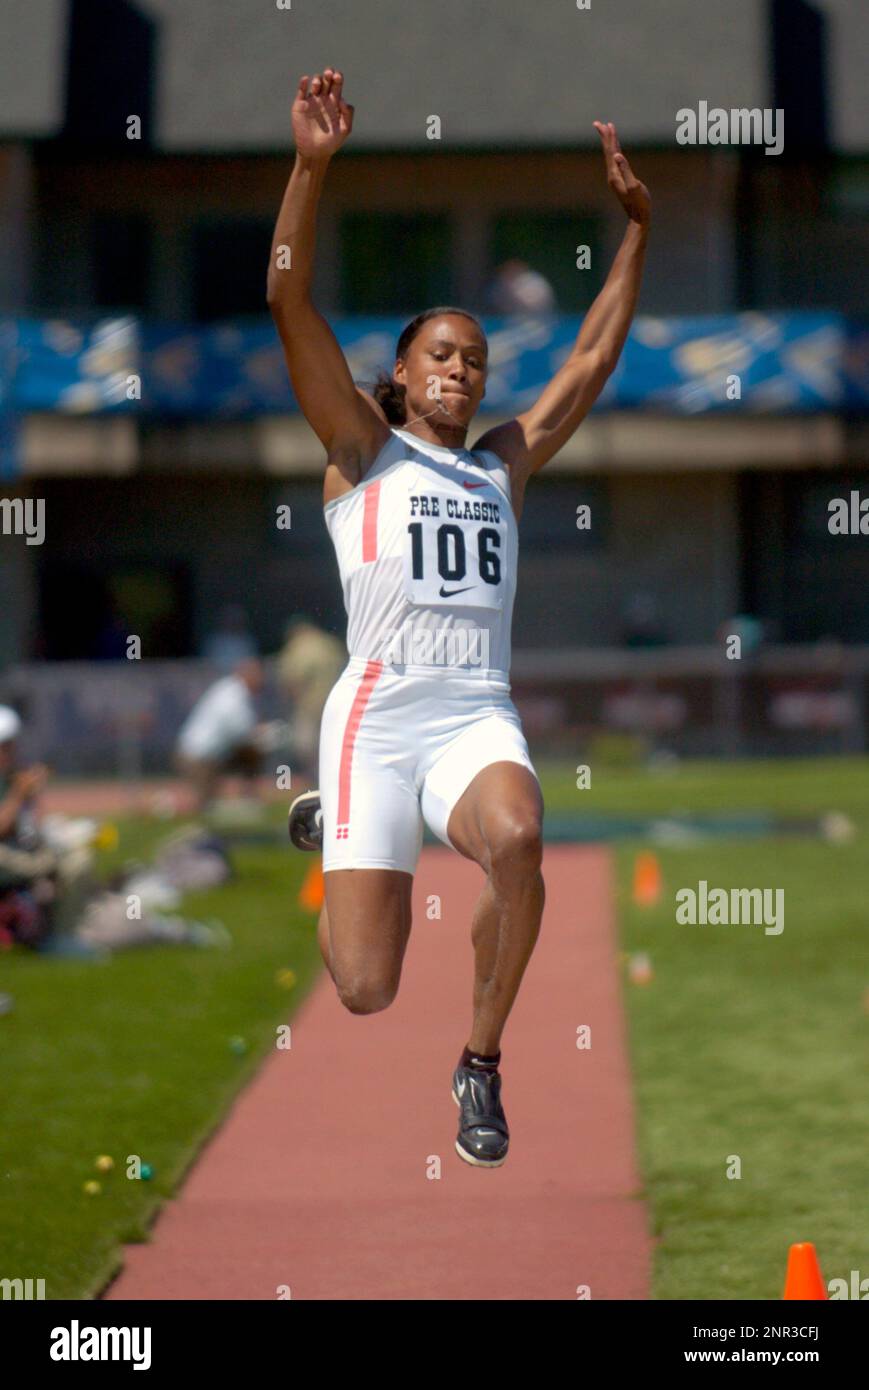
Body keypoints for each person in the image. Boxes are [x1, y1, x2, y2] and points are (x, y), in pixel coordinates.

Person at [268, 70, 650, 1167]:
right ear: (400, 370)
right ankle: (336, 812)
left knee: (522, 840)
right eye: (441, 355)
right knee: (364, 988)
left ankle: (479, 1061)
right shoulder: (357, 448)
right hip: (377, 717)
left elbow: (590, 359)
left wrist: (634, 231)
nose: (460, 372)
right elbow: (288, 302)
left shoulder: (501, 469)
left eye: (474, 361)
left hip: (473, 712)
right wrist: (308, 168)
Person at [175, 659, 266, 814]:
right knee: (203, 805)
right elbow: (240, 729)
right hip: (199, 757)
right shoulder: (233, 694)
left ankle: (247, 800)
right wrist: (261, 732)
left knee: (207, 805)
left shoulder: (229, 689)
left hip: (207, 754)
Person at [276, 616, 347, 787]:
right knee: (333, 745)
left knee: (305, 746)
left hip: (308, 706)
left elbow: (290, 679)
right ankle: (333, 781)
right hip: (335, 703)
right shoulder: (328, 643)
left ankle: (312, 782)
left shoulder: (298, 647)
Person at [488, 258, 557, 316]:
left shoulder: (533, 281)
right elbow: (492, 301)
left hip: (538, 317)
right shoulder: (502, 283)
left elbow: (537, 305)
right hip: (511, 318)